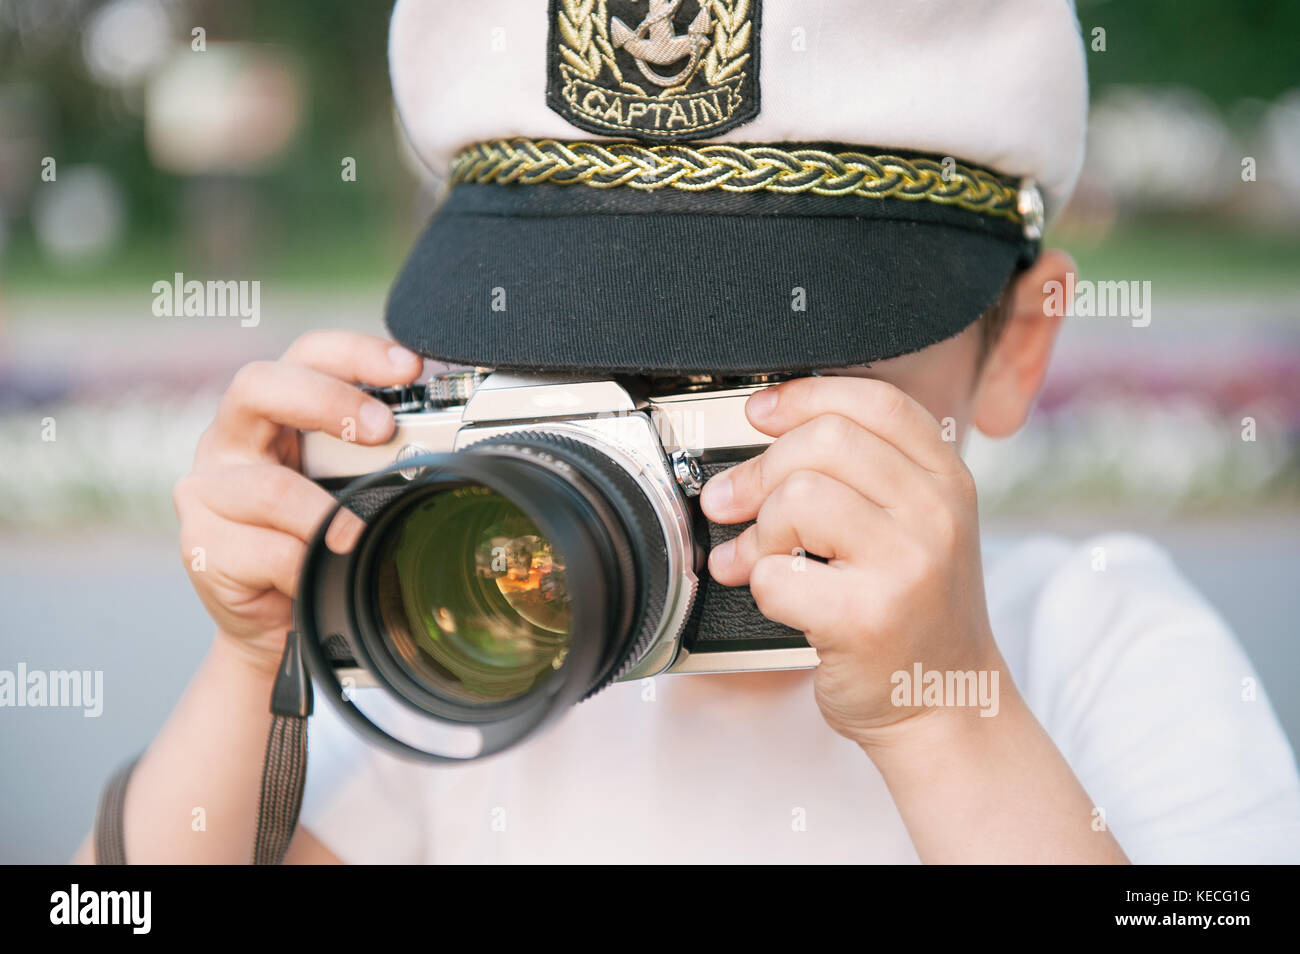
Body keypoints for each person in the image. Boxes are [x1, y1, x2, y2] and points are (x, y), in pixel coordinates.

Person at [76, 0, 1300, 863]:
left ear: (1015, 345)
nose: (667, 430)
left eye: (780, 356)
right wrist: (255, 669)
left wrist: (951, 720)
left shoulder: (1096, 642)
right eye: (585, 349)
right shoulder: (483, 653)